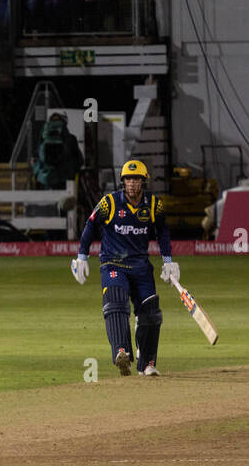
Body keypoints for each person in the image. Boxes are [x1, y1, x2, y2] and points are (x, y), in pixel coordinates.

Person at [71, 159, 177, 377]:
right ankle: (122, 352)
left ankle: (147, 363)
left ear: (143, 181)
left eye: (136, 179)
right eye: (128, 179)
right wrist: (82, 257)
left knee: (151, 313)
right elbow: (91, 225)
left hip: (141, 266)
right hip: (113, 263)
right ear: (123, 182)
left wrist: (168, 261)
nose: (131, 183)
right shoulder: (109, 202)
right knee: (116, 303)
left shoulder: (153, 205)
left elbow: (163, 231)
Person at [32, 111, 83, 189]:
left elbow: (36, 159)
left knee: (48, 200)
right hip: (65, 180)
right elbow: (79, 161)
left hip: (46, 179)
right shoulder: (71, 139)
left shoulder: (43, 138)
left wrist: (39, 172)